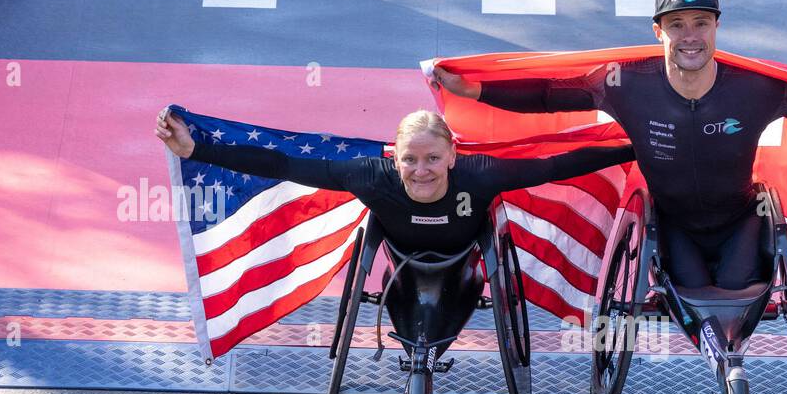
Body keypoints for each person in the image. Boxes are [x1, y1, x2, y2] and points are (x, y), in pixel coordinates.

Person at [434, 0, 787, 290]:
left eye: (700, 23)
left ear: (716, 28)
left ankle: (730, 391)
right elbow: (548, 95)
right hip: (671, 222)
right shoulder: (622, 82)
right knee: (690, 292)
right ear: (657, 31)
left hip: (739, 218)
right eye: (677, 25)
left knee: (735, 294)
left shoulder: (757, 87)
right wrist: (474, 91)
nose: (690, 36)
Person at [155, 107, 633, 258]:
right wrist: (199, 150)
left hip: (464, 255)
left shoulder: (482, 173)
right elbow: (282, 163)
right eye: (410, 160)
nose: (421, 170)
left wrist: (636, 149)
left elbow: (555, 166)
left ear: (451, 157)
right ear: (393, 158)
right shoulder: (368, 175)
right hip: (401, 256)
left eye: (432, 159)